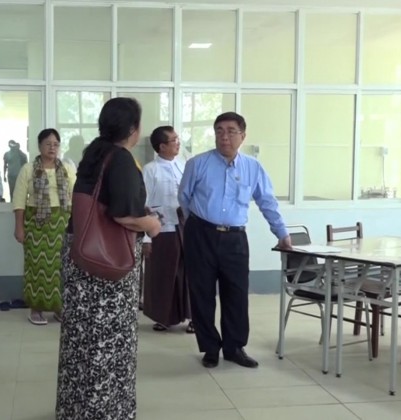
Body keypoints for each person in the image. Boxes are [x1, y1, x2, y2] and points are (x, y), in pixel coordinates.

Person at [56, 98, 162, 419]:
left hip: (79, 254)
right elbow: (125, 215)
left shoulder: (93, 155)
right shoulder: (121, 160)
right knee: (109, 338)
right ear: (133, 129)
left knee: (81, 336)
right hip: (108, 264)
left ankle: (76, 408)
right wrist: (152, 225)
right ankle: (107, 410)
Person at [178, 112, 292, 370]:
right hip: (201, 234)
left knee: (237, 294)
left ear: (243, 135)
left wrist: (282, 233)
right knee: (202, 293)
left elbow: (267, 202)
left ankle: (234, 347)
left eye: (230, 131)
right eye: (219, 131)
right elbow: (184, 198)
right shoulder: (198, 163)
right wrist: (197, 226)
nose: (224, 136)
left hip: (235, 238)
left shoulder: (253, 167)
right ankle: (210, 347)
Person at [12, 129, 75, 325]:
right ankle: (36, 309)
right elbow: (19, 201)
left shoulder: (67, 168)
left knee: (60, 266)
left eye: (56, 144)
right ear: (39, 146)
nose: (52, 147)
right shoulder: (28, 169)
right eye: (48, 144)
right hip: (36, 223)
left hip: (62, 223)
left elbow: (77, 196)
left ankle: (58, 308)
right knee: (36, 266)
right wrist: (19, 227)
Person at [142, 126, 193, 333]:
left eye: (177, 139)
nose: (178, 143)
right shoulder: (150, 169)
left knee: (189, 274)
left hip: (185, 227)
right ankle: (163, 317)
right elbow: (143, 204)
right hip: (161, 229)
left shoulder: (184, 166)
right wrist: (146, 239)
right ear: (161, 146)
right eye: (173, 140)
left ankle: (193, 318)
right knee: (163, 274)